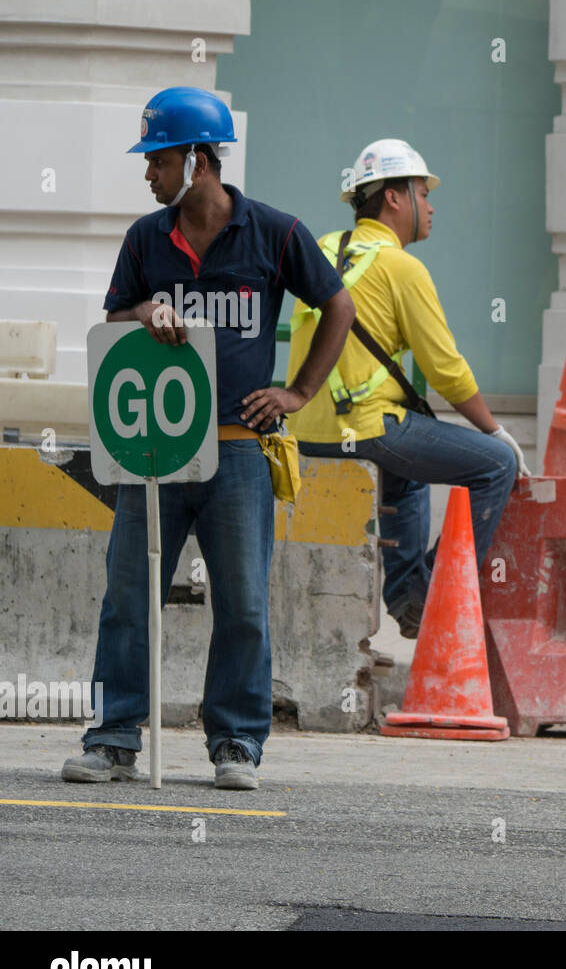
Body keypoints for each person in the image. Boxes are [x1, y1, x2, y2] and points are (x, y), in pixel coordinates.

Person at [62, 86, 356, 790]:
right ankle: (113, 737)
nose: (147, 174)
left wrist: (298, 392)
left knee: (244, 602)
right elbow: (115, 316)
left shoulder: (276, 233)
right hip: (153, 453)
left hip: (238, 451)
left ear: (197, 161)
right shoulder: (145, 239)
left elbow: (337, 303)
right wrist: (146, 310)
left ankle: (236, 742)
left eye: (157, 159)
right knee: (129, 597)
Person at [291, 139, 525, 638]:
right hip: (365, 427)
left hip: (306, 428)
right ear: (394, 198)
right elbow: (446, 371)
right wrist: (495, 430)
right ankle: (431, 597)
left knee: (408, 473)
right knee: (496, 465)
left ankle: (409, 598)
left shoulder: (323, 248)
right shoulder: (401, 267)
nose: (432, 205)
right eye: (423, 191)